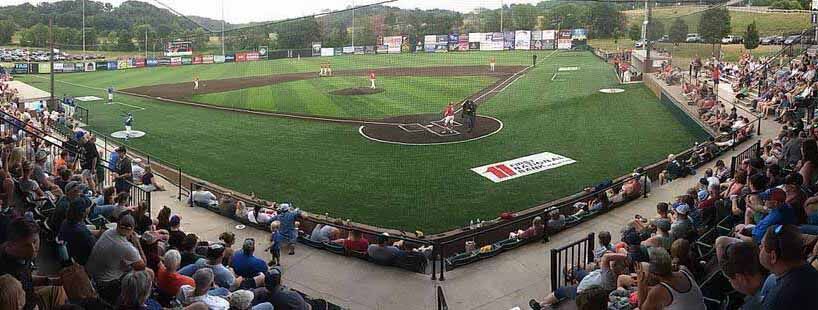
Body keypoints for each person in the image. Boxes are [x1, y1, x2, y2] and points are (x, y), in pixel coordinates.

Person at [0, 218, 65, 310]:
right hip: (23, 304)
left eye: (35, 242)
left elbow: (27, 277)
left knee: (59, 289)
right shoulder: (6, 278)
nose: (33, 249)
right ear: (11, 245)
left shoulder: (21, 255)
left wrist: (50, 281)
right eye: (26, 245)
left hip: (29, 296)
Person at [85, 214, 146, 304]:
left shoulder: (108, 232)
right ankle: (136, 302)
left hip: (91, 277)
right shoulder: (126, 247)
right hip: (106, 285)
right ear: (132, 229)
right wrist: (137, 243)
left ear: (117, 225)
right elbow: (143, 265)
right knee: (146, 273)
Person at [759, 225, 818, 309]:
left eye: (762, 246)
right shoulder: (807, 269)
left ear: (773, 257)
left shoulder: (776, 301)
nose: (759, 247)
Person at [636, 247, 706, 310]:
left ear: (652, 273)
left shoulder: (658, 291)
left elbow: (642, 308)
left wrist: (640, 281)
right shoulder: (684, 270)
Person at [719, 241, 769, 310]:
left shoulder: (752, 306)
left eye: (730, 280)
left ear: (740, 278)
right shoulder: (779, 275)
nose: (731, 283)